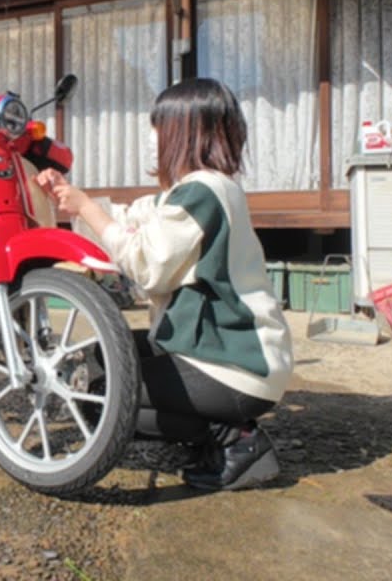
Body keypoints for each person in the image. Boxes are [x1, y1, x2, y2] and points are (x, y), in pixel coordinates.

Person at [36, 78, 293, 491]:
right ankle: (213, 433)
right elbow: (128, 219)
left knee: (102, 397)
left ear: (183, 131)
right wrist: (73, 199)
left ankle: (235, 439)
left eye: (157, 126)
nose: (151, 137)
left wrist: (84, 207)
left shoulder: (203, 191)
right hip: (219, 352)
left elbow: (145, 264)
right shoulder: (192, 192)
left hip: (235, 364)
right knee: (103, 357)